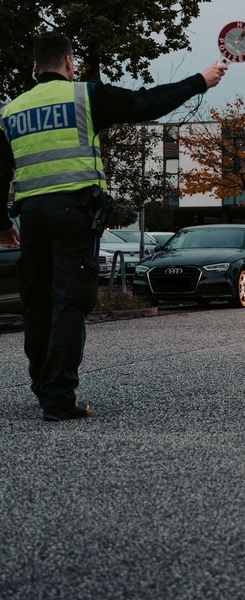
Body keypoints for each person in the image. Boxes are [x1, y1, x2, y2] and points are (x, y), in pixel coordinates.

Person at [0, 31, 227, 421]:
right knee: (70, 301)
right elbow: (146, 103)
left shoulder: (10, 111)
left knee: (37, 303)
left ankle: (42, 384)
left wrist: (3, 224)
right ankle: (58, 397)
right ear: (70, 63)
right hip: (75, 214)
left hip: (32, 217)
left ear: (34, 67)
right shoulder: (85, 95)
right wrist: (199, 81)